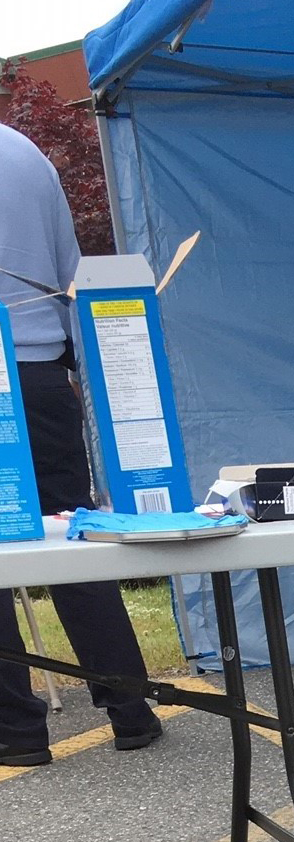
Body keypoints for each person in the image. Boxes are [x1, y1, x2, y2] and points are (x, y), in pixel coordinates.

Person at [0, 121, 163, 766]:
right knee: (72, 534)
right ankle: (129, 708)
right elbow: (71, 271)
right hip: (41, 369)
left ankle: (17, 729)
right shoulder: (27, 153)